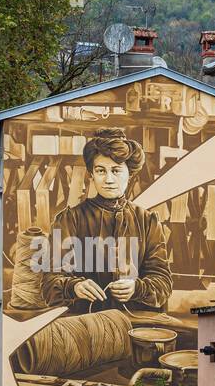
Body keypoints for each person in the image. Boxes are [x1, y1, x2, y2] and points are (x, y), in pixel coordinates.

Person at [41, 126, 173, 313]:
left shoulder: (147, 221)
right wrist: (74, 287)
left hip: (137, 322)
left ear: (130, 174)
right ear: (91, 175)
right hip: (86, 322)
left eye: (117, 171)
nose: (109, 179)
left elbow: (163, 282)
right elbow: (49, 283)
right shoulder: (70, 220)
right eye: (101, 171)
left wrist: (137, 288)